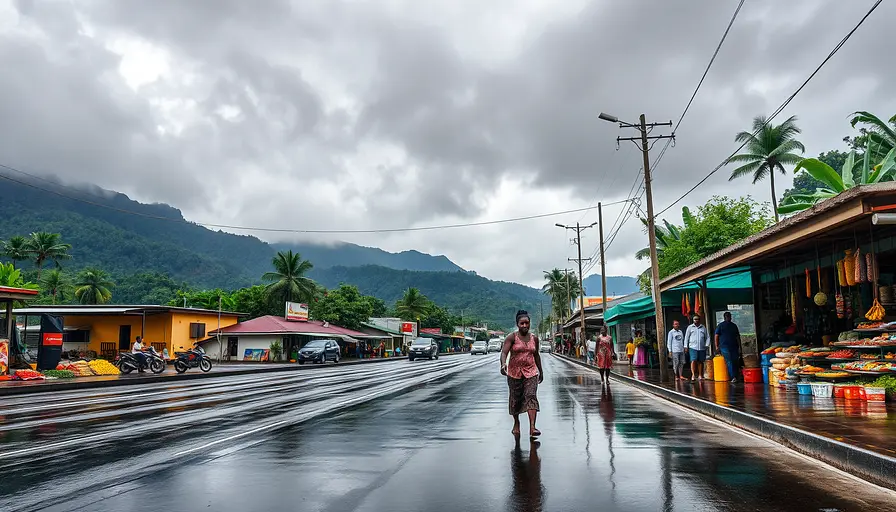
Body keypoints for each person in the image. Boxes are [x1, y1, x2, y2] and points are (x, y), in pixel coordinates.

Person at [501, 310, 544, 439]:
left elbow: (536, 355)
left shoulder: (534, 339)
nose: (525, 325)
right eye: (522, 323)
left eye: (527, 323)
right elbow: (504, 353)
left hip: (531, 372)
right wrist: (503, 364)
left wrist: (541, 371)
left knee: (531, 395)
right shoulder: (511, 337)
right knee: (515, 399)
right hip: (514, 373)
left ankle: (532, 427)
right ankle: (516, 423)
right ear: (517, 324)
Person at [715, 311, 741, 383]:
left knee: (735, 361)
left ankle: (735, 376)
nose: (729, 318)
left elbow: (737, 337)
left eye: (729, 316)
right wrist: (717, 346)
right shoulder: (720, 325)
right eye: (727, 316)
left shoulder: (734, 326)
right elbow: (716, 336)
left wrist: (739, 347)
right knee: (730, 361)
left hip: (734, 346)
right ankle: (733, 377)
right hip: (724, 346)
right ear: (725, 317)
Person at [684, 315, 710, 381]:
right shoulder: (690, 327)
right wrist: (685, 346)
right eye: (695, 319)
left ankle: (700, 375)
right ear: (693, 320)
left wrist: (707, 345)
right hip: (693, 347)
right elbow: (686, 337)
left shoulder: (703, 327)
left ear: (699, 320)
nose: (696, 320)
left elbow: (707, 337)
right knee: (693, 360)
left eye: (697, 319)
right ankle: (693, 374)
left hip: (701, 347)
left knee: (700, 361)